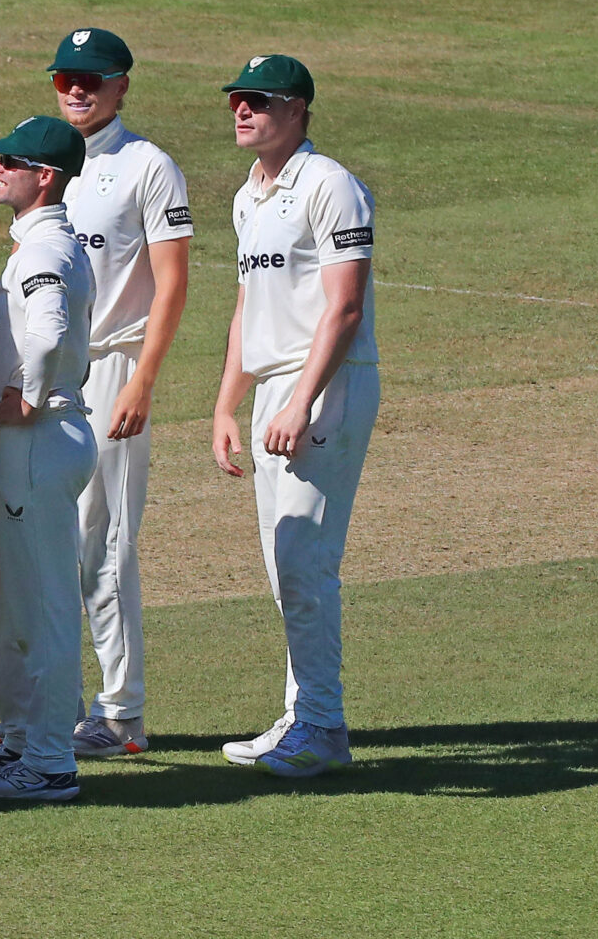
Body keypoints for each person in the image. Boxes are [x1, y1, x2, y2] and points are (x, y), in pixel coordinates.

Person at [210, 55, 377, 778]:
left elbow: (345, 307)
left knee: (305, 561)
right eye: (236, 100)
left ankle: (322, 726)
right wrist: (227, 403)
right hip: (274, 388)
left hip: (326, 384)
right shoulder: (248, 196)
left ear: (298, 108)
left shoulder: (330, 185)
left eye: (258, 100)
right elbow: (248, 305)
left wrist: (301, 399)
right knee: (285, 566)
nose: (243, 110)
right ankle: (301, 714)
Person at [40, 28, 192, 758]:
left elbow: (173, 283)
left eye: (92, 79)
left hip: (112, 369)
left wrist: (142, 381)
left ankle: (122, 713)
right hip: (54, 376)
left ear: (122, 85)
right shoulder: (44, 160)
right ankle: (57, 704)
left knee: (104, 542)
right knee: (51, 541)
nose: (78, 89)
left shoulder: (147, 166)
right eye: (66, 78)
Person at [0, 116, 98, 802]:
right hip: (37, 446)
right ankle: (22, 735)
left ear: (45, 176)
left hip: (42, 439)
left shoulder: (44, 249)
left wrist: (29, 398)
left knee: (44, 604)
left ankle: (49, 760)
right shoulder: (43, 242)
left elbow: (46, 336)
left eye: (10, 161)